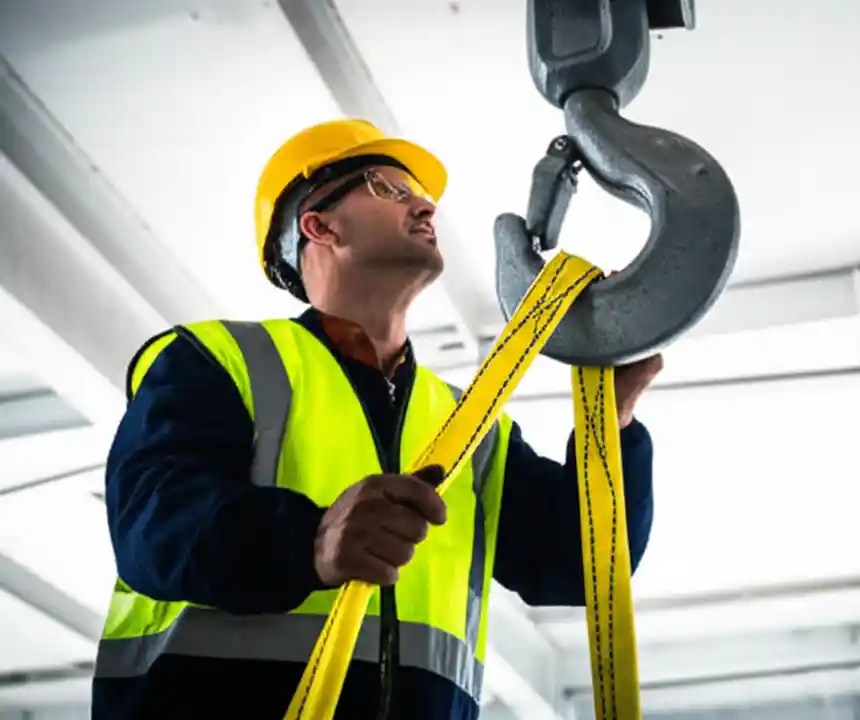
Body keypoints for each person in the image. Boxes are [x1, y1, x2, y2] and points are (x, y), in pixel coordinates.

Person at [91, 119, 662, 719]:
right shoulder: (220, 361)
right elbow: (153, 528)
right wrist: (309, 543)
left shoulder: (470, 423)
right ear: (318, 224)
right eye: (389, 189)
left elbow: (583, 566)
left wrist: (612, 412)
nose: (424, 204)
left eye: (421, 195)